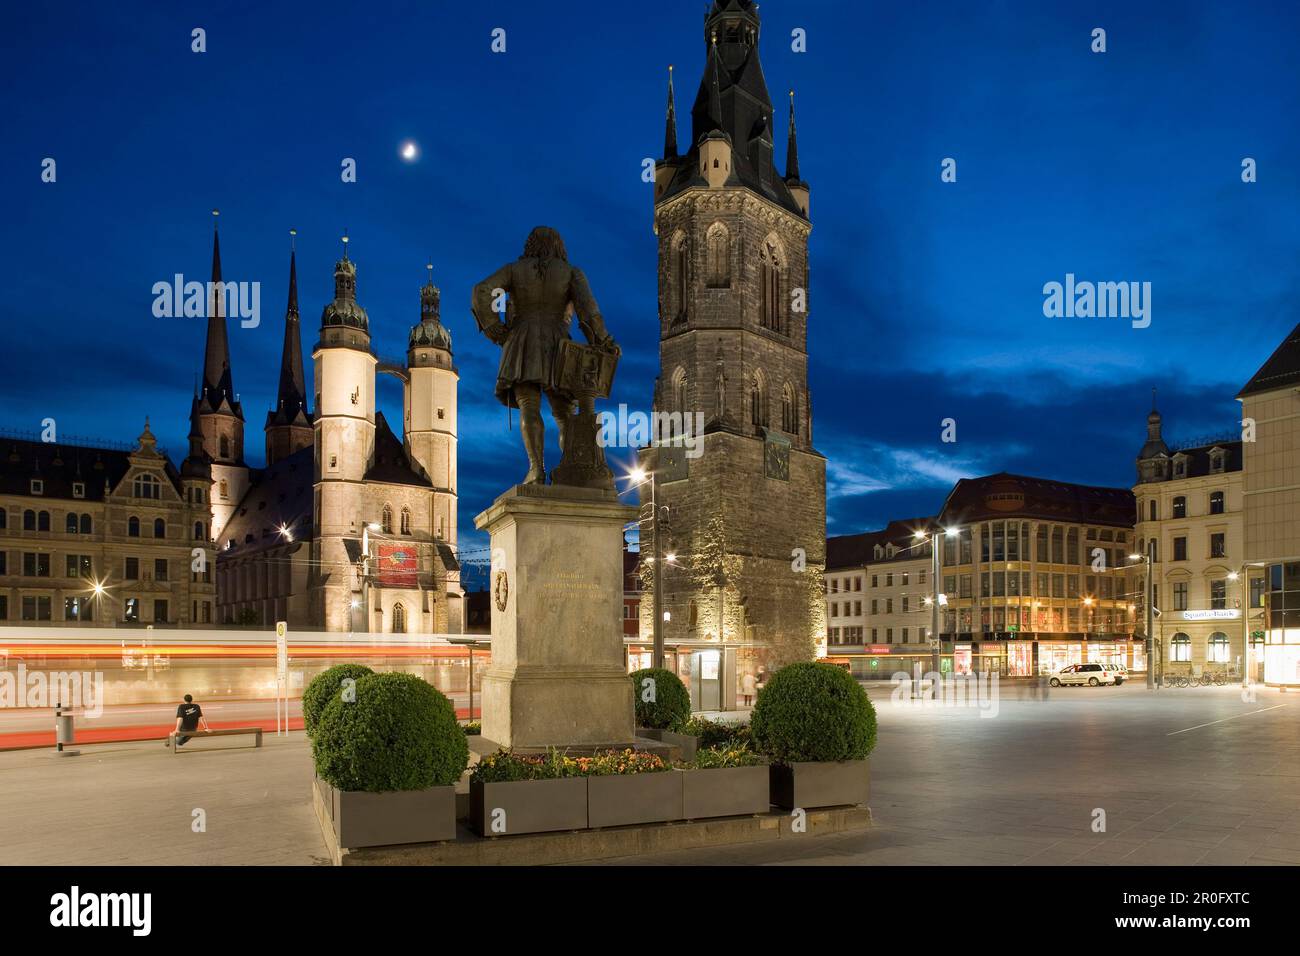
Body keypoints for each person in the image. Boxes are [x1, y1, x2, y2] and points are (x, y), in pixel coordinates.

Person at [471, 226, 619, 485]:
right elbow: (589, 311)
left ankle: (536, 469)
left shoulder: (515, 270)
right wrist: (604, 340)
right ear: (559, 246)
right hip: (560, 346)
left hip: (522, 341)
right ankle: (572, 469)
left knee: (529, 406)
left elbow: (482, 290)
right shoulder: (571, 272)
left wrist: (495, 329)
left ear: (530, 245)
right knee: (564, 413)